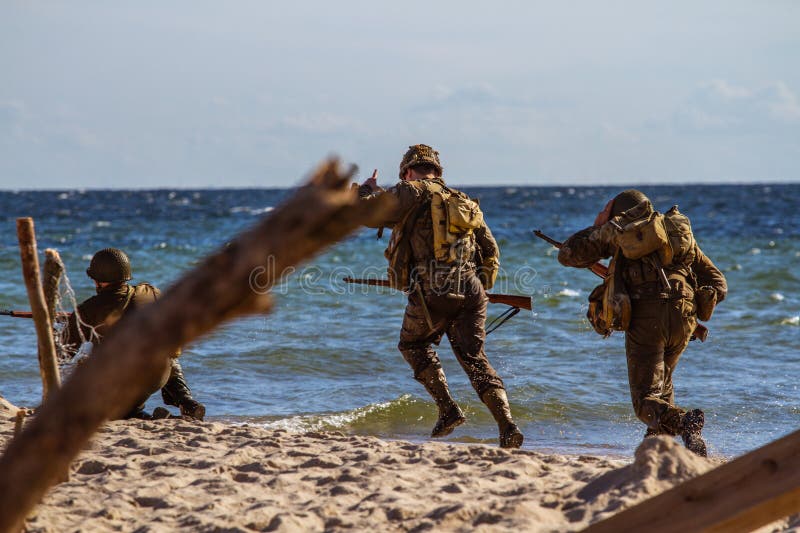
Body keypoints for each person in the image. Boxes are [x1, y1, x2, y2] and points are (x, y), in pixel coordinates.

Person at [357, 144, 524, 448]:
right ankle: (508, 426)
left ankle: (448, 409)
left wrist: (366, 192)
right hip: (471, 288)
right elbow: (491, 251)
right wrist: (480, 288)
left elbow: (368, 215)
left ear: (407, 171)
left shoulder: (409, 190)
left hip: (430, 290)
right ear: (437, 171)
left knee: (413, 344)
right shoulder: (460, 199)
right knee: (474, 358)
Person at [557, 189, 727, 456]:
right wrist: (694, 304)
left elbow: (568, 254)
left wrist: (598, 226)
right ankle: (662, 453)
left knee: (644, 401)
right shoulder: (676, 232)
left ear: (619, 211)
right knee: (662, 389)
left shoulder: (621, 229)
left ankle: (685, 424)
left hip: (647, 318)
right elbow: (719, 284)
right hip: (685, 316)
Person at [63, 248, 205, 421]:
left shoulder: (88, 309)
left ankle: (146, 417)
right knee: (163, 350)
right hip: (161, 374)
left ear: (98, 280)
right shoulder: (151, 292)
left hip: (125, 381)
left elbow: (64, 352)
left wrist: (70, 324)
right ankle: (187, 401)